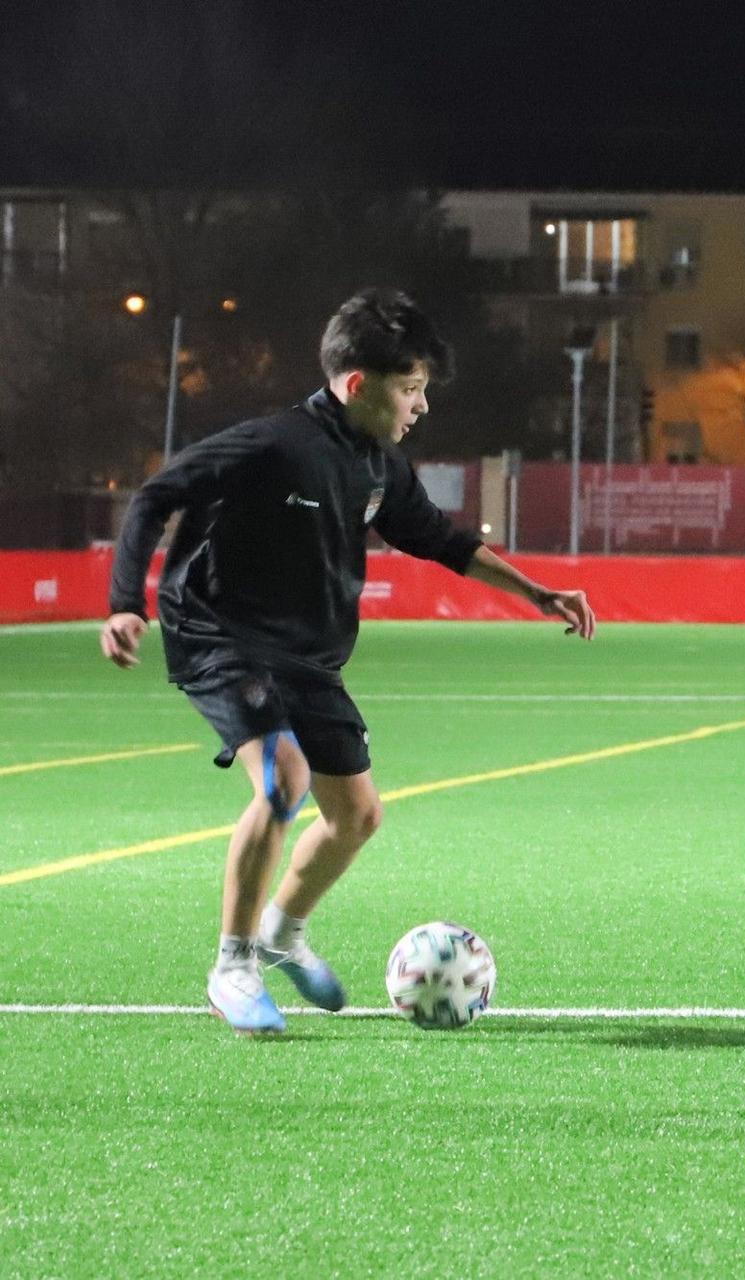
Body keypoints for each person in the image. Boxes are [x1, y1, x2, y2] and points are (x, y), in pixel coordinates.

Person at [101, 288, 596, 1035]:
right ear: (358, 384)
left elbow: (440, 538)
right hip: (218, 633)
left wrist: (536, 592)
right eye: (411, 389)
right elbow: (153, 498)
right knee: (283, 778)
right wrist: (124, 602)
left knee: (357, 816)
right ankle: (232, 965)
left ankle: (280, 932)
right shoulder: (272, 443)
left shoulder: (379, 466)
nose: (421, 405)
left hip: (306, 654)